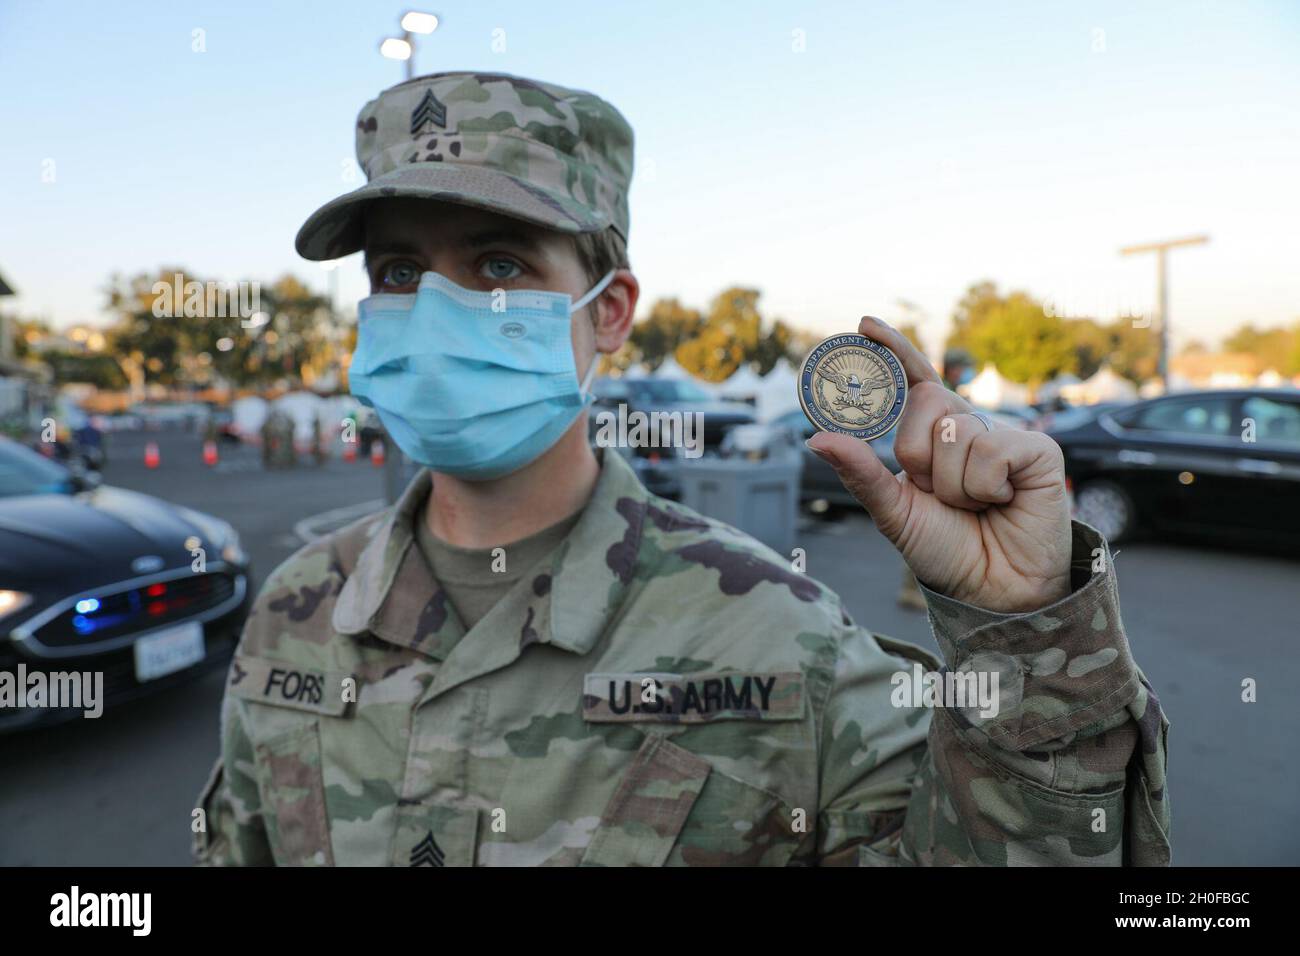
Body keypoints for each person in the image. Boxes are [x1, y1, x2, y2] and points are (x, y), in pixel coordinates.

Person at [194, 71, 1170, 867]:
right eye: (400, 273)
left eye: (498, 266)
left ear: (608, 311)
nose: (441, 312)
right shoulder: (296, 611)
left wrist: (1026, 636)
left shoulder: (778, 636)